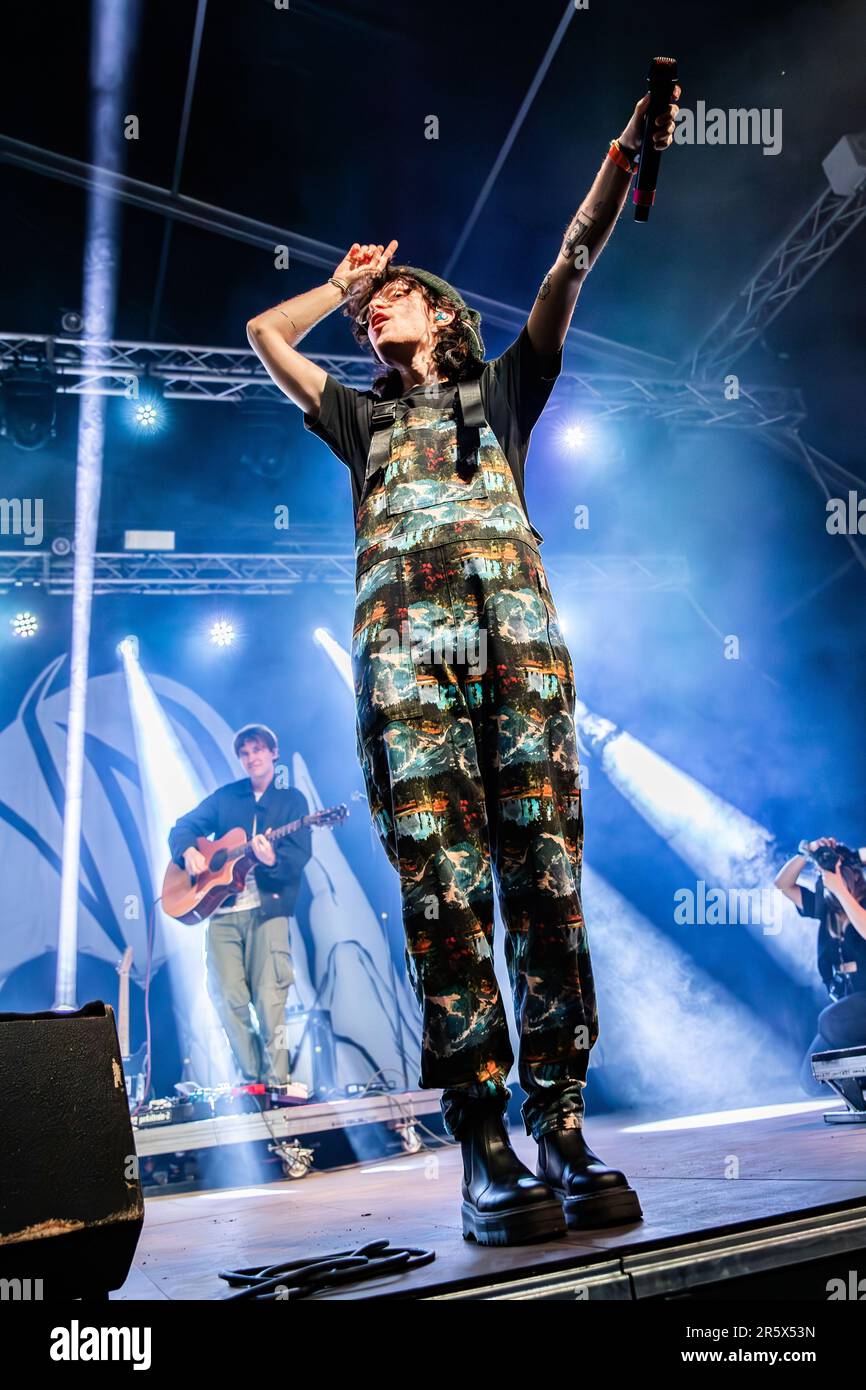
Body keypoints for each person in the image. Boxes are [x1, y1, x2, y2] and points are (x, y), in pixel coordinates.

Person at [246, 88, 680, 1244]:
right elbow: (263, 339)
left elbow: (568, 265)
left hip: (519, 657)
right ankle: (482, 1138)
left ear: (440, 319)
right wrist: (337, 284)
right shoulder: (357, 420)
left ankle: (562, 1124)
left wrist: (620, 157)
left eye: (393, 295)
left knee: (545, 889)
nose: (375, 307)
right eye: (370, 301)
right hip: (405, 673)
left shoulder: (501, 393)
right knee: (442, 894)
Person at [168, 725, 311, 1089]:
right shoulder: (226, 798)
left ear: (273, 753)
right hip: (221, 915)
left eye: (258, 750)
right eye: (245, 753)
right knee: (227, 998)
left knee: (269, 999)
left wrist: (270, 859)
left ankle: (277, 1082)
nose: (252, 758)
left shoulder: (292, 801)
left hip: (267, 912)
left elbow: (297, 859)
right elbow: (183, 827)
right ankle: (253, 1082)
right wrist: (189, 853)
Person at [775, 837, 866, 1104]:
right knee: (811, 1081)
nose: (823, 876)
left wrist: (841, 884)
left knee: (830, 1020)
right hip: (847, 1013)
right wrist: (807, 854)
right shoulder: (824, 909)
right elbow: (783, 884)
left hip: (858, 1005)